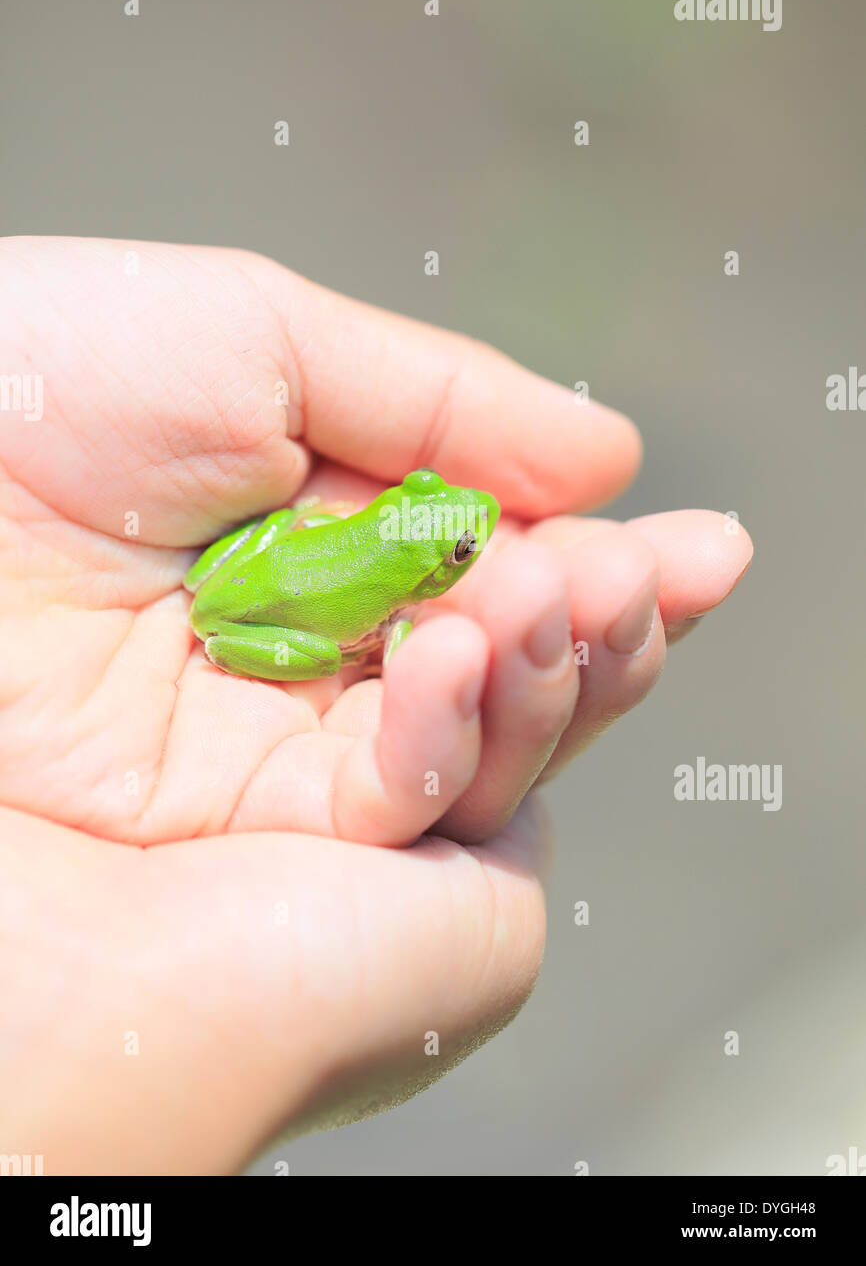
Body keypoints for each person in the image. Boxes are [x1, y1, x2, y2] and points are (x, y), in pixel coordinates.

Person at [0, 236, 752, 1172]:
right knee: (356, 653)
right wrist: (373, 646)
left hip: (248, 562)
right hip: (265, 617)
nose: (460, 524)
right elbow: (397, 642)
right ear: (425, 546)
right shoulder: (407, 600)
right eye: (451, 546)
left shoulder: (405, 523)